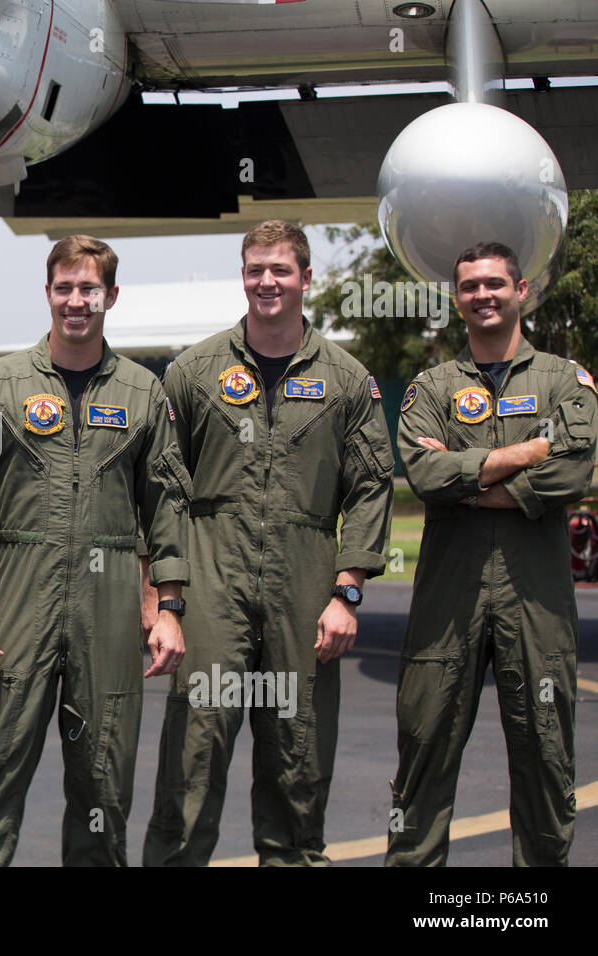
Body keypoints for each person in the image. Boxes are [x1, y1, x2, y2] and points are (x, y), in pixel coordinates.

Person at [142, 219, 395, 866]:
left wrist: (349, 590)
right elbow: (163, 485)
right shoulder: (196, 373)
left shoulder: (345, 381)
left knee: (298, 758)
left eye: (280, 269)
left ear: (306, 278)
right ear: (243, 275)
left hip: (306, 584)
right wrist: (162, 598)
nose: (267, 281)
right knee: (192, 756)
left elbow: (371, 486)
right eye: (255, 269)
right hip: (210, 581)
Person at [0, 234, 190, 866]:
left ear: (110, 296)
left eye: (89, 289)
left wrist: (166, 607)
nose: (76, 301)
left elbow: (164, 505)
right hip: (21, 581)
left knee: (104, 774)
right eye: (64, 288)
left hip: (108, 599)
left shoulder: (143, 392)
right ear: (47, 293)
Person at [385, 241, 595, 866]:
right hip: (447, 602)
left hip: (537, 602)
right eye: (470, 286)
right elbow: (424, 475)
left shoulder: (565, 379)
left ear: (521, 289)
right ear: (457, 297)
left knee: (545, 759)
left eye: (494, 284)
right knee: (423, 754)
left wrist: (468, 481)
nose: (483, 295)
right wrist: (528, 454)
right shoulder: (432, 386)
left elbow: (572, 474)